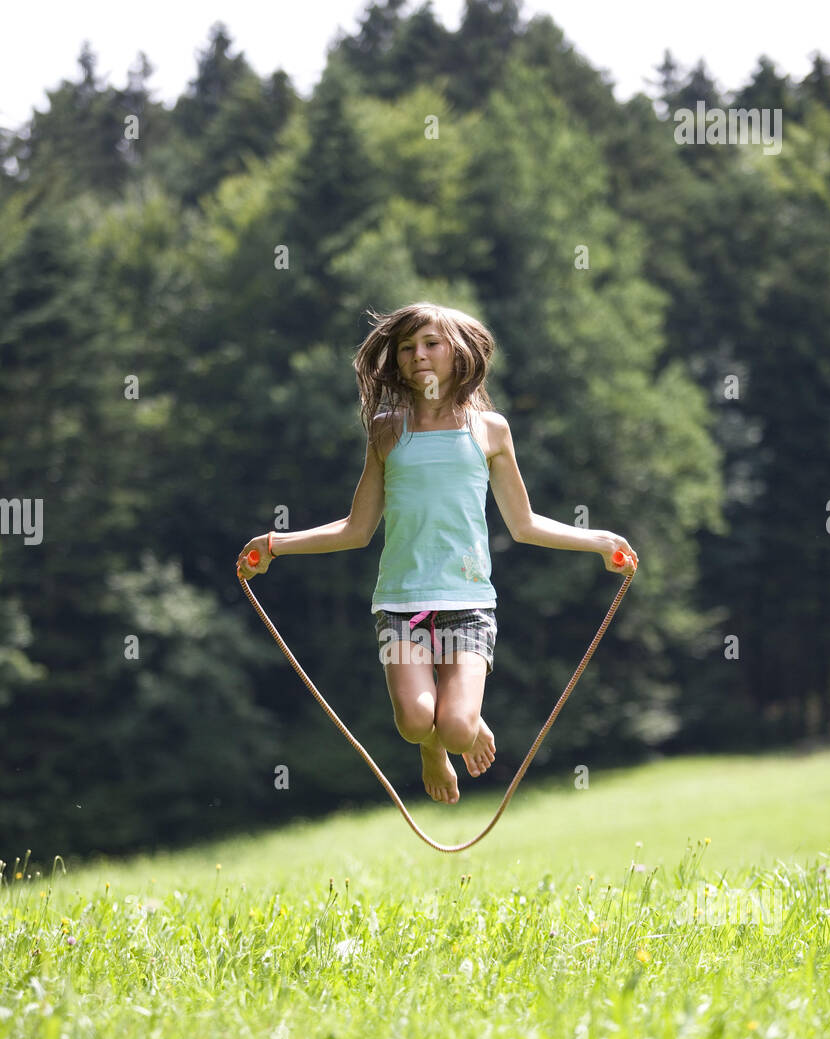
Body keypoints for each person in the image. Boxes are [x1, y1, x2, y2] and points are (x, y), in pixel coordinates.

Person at [237, 301, 638, 807]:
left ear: (459, 353)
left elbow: (525, 524)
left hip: (468, 601)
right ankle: (433, 750)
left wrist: (600, 540)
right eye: (406, 348)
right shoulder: (387, 430)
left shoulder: (489, 430)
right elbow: (357, 528)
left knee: (453, 727)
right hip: (402, 604)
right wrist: (276, 545)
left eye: (431, 344)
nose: (417, 356)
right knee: (413, 722)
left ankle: (459, 724)